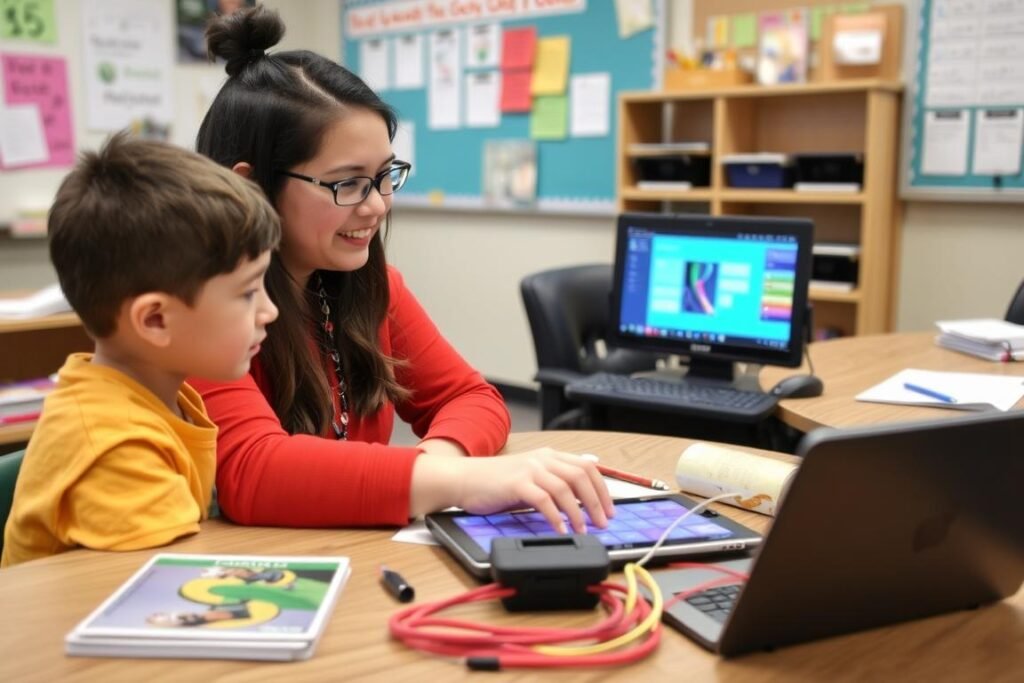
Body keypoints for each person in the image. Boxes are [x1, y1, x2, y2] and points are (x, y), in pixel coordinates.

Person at [191, 6, 612, 534]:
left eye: (385, 175)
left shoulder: (370, 287)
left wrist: (440, 464)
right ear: (250, 186)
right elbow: (255, 472)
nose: (377, 205)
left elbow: (471, 398)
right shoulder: (198, 309)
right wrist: (458, 481)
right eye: (348, 183)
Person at [0, 134, 280, 567]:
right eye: (247, 293)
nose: (270, 310)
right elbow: (168, 591)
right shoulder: (116, 447)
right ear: (154, 320)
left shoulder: (162, 395)